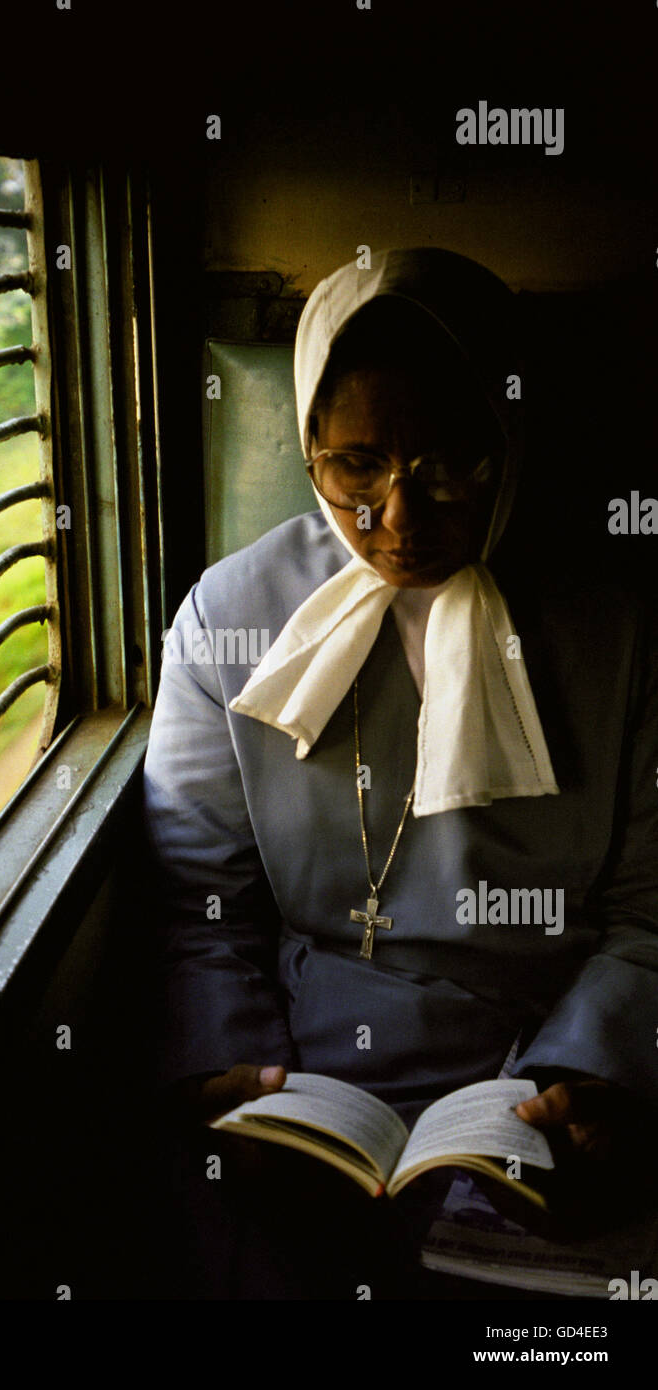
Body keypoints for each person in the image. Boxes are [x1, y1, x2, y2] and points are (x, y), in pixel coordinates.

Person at [141, 248, 658, 1298]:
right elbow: (200, 902)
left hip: (541, 1068)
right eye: (358, 466)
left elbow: (652, 910)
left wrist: (588, 1073)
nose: (400, 516)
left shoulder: (620, 632)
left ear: (507, 438)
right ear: (308, 447)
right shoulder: (229, 617)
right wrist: (229, 1069)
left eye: (447, 463)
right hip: (305, 1069)